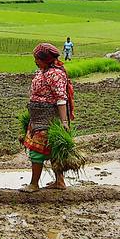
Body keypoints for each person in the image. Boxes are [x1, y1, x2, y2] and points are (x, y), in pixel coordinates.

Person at [21, 42, 75, 191]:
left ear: (45, 59)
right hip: (37, 117)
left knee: (36, 152)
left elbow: (61, 98)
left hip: (48, 118)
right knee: (52, 150)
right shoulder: (43, 71)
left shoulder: (56, 74)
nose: (35, 61)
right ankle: (59, 181)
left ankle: (34, 184)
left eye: (37, 59)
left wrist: (64, 122)